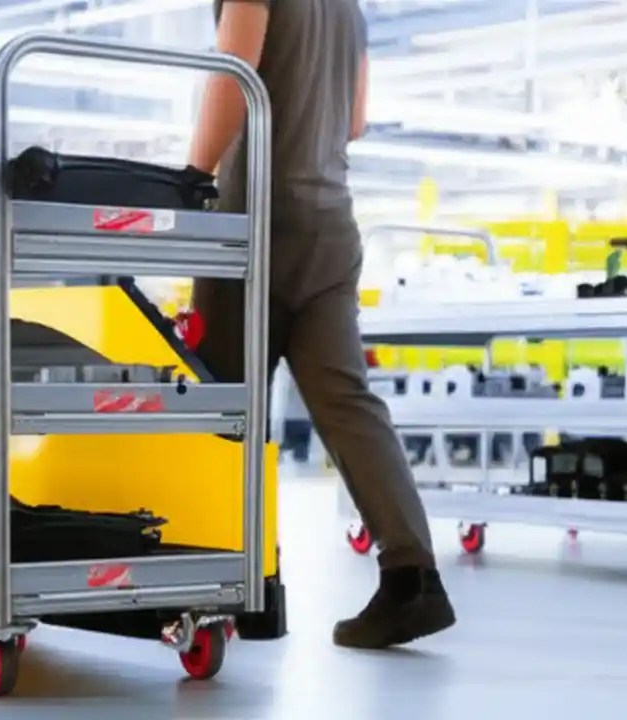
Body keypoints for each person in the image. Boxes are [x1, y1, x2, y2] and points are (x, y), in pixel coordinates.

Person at [187, 0, 456, 649]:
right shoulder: (349, 8)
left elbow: (234, 76)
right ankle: (412, 578)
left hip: (254, 221)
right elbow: (354, 120)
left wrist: (189, 177)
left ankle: (246, 585)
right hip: (330, 223)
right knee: (348, 404)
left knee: (225, 406)